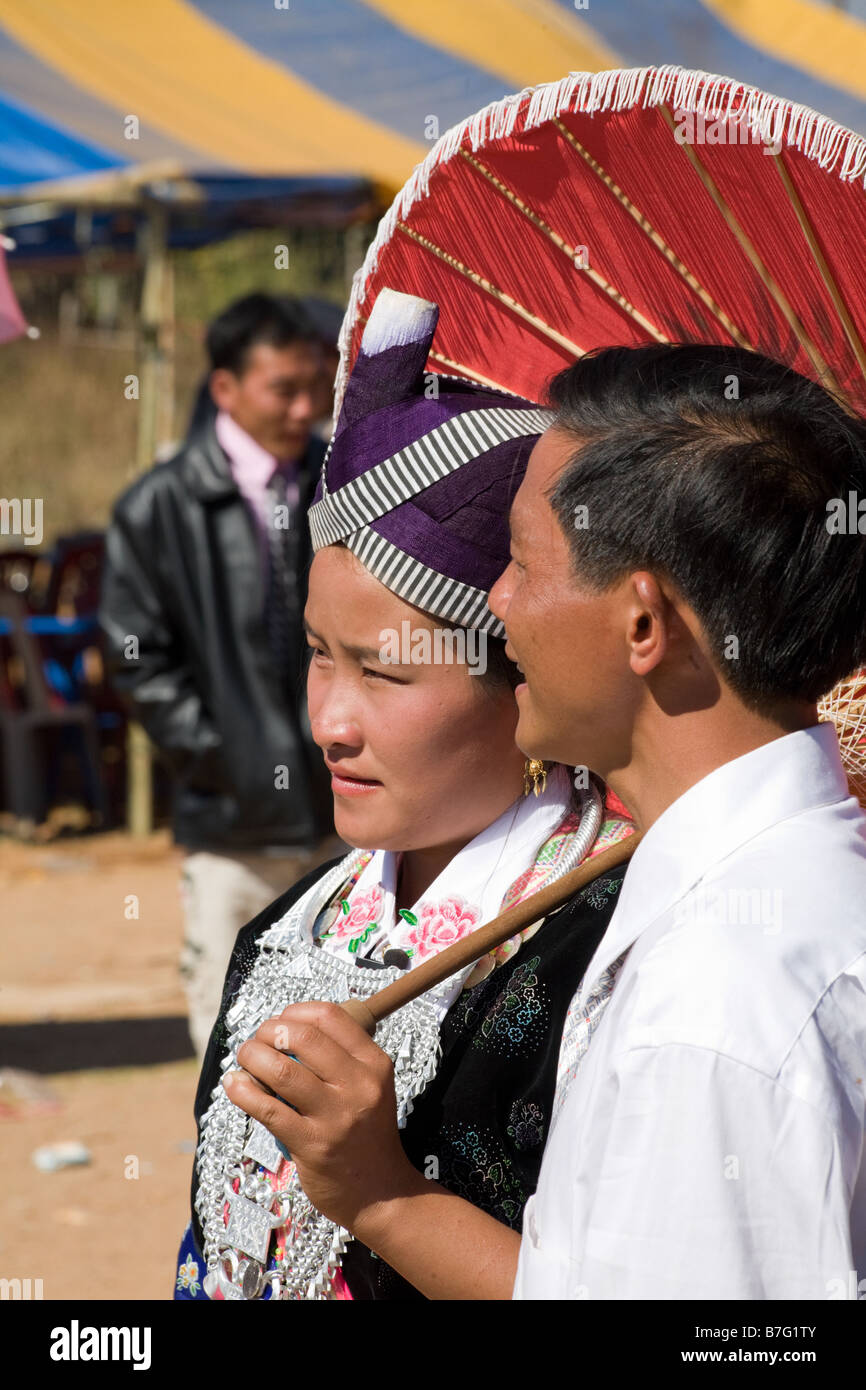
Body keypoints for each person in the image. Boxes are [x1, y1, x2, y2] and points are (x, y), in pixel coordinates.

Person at [174, 289, 635, 1301]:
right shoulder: (293, 929)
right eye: (314, 656)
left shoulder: (609, 954)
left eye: (382, 673)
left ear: (520, 674)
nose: (330, 721)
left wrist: (379, 1189)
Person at [483, 343, 866, 1299]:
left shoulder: (711, 1008)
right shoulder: (790, 896)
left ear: (644, 625)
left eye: (524, 563)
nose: (497, 602)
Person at [99, 293, 339, 1060]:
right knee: (231, 1041)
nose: (306, 408)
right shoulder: (156, 507)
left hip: (345, 821)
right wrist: (223, 760)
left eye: (317, 388)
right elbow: (135, 658)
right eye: (284, 390)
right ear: (226, 388)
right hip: (233, 833)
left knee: (345, 1028)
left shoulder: (344, 487)